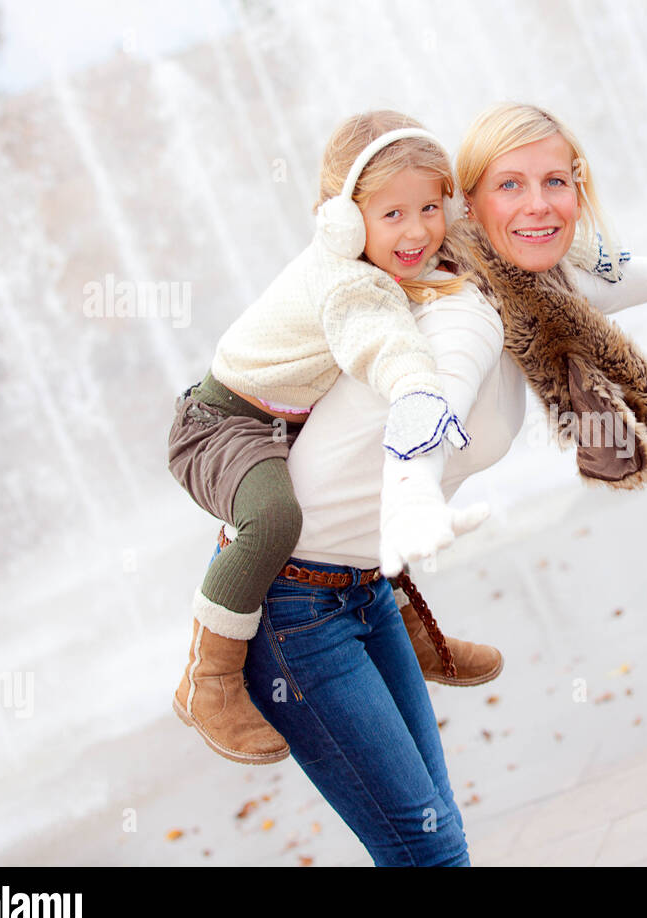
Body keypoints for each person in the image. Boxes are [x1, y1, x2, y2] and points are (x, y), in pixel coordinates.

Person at [238, 102, 647, 865]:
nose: (537, 206)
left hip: (365, 591)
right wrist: (415, 490)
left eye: (555, 182)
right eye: (510, 186)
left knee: (429, 839)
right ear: (472, 201)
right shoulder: (461, 313)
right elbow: (431, 402)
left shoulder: (517, 292)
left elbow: (609, 284)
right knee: (429, 850)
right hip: (291, 609)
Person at [167, 110, 497, 766]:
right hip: (221, 422)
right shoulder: (349, 280)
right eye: (393, 215)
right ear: (343, 221)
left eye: (430, 206)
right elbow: (379, 339)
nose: (418, 230)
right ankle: (207, 680)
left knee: (354, 485)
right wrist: (417, 391)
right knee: (274, 516)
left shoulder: (384, 263)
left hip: (280, 419)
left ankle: (407, 620)